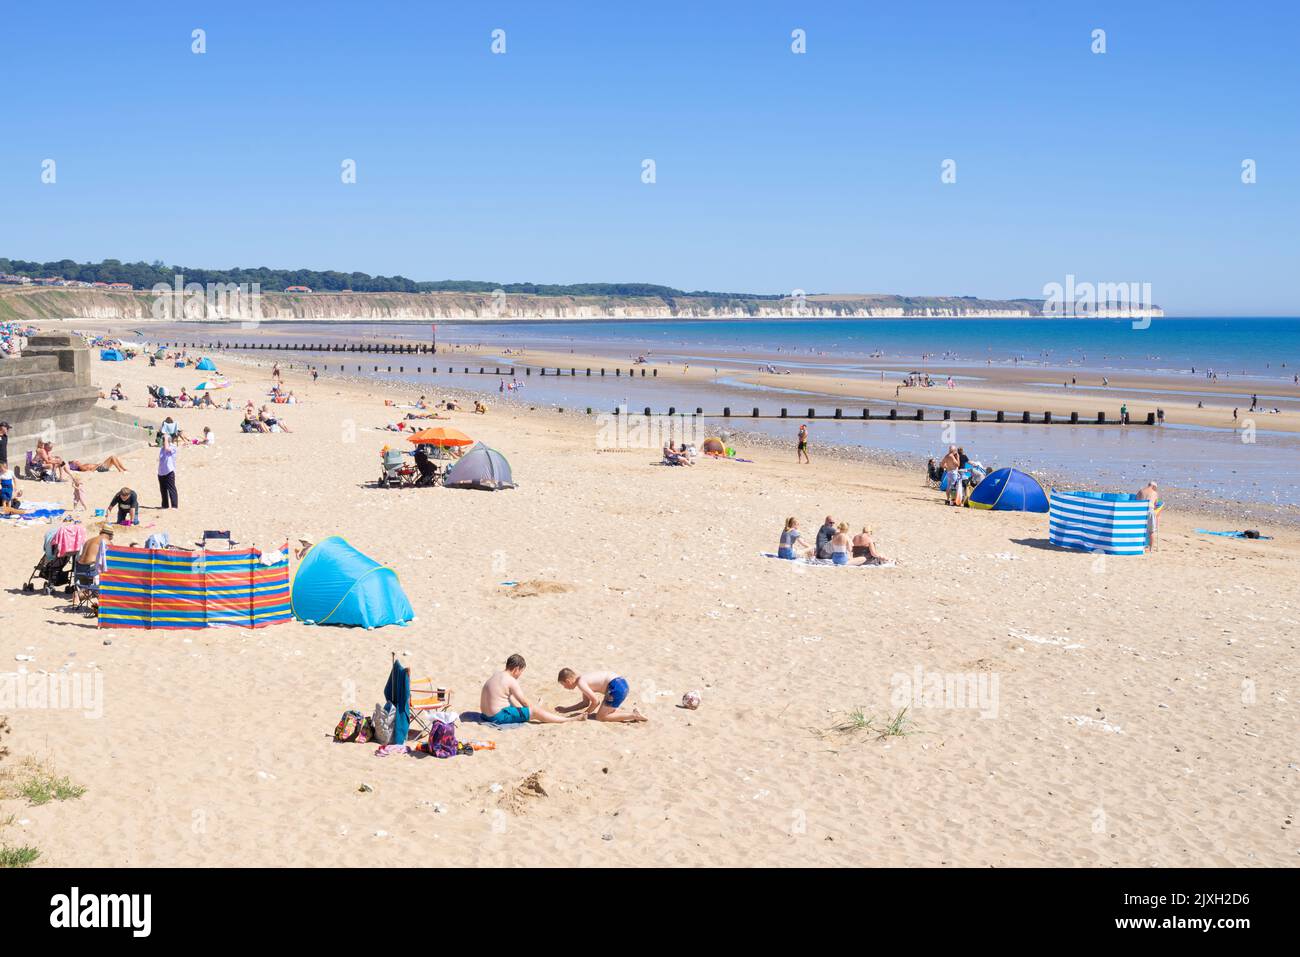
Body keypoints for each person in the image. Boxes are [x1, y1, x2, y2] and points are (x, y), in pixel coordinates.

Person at [479, 654, 576, 725]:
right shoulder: (511, 680)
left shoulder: (496, 674)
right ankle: (567, 720)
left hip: (485, 715)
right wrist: (535, 710)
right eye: (521, 671)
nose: (520, 674)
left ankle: (531, 710)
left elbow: (512, 699)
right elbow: (524, 702)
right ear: (516, 669)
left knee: (511, 697)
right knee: (534, 711)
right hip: (497, 717)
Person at [555, 668, 648, 723]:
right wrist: (566, 709)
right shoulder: (583, 679)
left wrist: (585, 714)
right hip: (622, 683)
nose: (564, 687)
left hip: (615, 687)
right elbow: (585, 703)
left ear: (568, 681)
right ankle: (632, 714)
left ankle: (633, 715)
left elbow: (596, 702)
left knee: (600, 717)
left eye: (564, 685)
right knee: (606, 712)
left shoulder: (581, 683)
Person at [1136, 480, 1159, 551]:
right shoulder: (1154, 493)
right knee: (1151, 531)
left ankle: (1138, 546)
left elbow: (1136, 501)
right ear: (1154, 486)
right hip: (1149, 509)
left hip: (1141, 510)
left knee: (1139, 529)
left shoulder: (1141, 491)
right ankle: (1151, 549)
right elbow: (1155, 505)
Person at [157, 437, 179, 510]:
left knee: (171, 489)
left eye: (164, 441)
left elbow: (167, 449)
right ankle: (165, 505)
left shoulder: (173, 447)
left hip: (169, 471)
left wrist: (166, 438)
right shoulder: (162, 449)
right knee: (163, 489)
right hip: (161, 472)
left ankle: (174, 506)